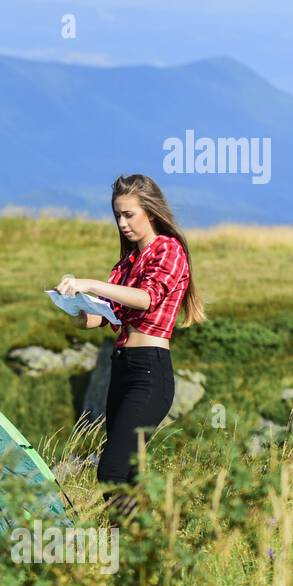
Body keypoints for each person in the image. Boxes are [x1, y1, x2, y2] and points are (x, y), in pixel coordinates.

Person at [53, 174, 205, 517]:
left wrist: (91, 283)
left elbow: (147, 299)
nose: (122, 223)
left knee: (113, 469)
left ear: (150, 212)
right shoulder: (125, 264)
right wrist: (75, 303)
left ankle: (132, 545)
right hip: (122, 368)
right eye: (117, 215)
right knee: (131, 473)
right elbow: (100, 318)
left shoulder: (168, 249)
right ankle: (143, 552)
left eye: (129, 214)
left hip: (149, 371)